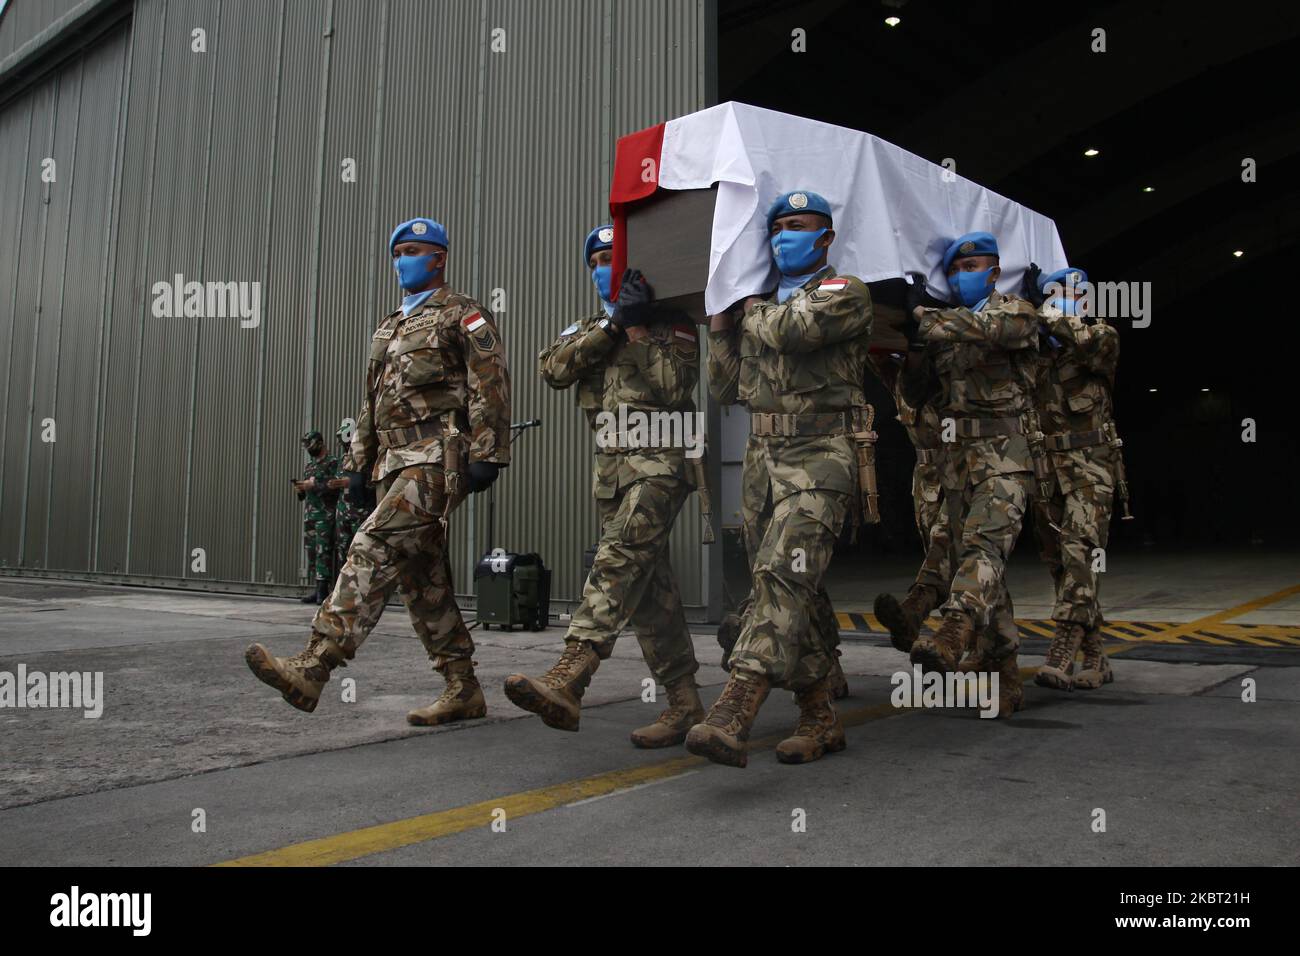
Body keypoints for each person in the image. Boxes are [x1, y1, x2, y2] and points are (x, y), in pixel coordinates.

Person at [246, 216, 511, 726]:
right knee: (422, 580)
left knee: (375, 546)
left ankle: (315, 664)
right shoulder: (389, 325)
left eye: (414, 250)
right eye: (397, 252)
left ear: (439, 258)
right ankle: (463, 688)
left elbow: (491, 383)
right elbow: (372, 404)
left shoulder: (464, 314)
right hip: (391, 464)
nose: (403, 260)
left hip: (438, 457)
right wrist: (357, 469)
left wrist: (488, 453)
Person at [689, 190, 874, 767]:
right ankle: (820, 717)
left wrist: (742, 301)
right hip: (763, 463)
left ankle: (735, 708)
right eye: (777, 228)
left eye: (798, 226)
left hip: (822, 454)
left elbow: (791, 332)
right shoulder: (756, 307)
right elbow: (725, 390)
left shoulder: (845, 293)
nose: (784, 236)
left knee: (779, 574)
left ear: (826, 237)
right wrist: (720, 326)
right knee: (799, 591)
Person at [505, 227, 704, 747]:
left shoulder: (671, 322)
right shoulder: (592, 326)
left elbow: (674, 386)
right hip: (612, 475)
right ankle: (685, 704)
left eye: (613, 257)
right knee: (650, 594)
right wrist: (615, 325)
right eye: (596, 258)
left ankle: (572, 675)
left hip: (662, 462)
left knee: (615, 561)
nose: (603, 265)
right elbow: (553, 369)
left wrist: (638, 330)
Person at [899, 231, 1040, 717]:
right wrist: (912, 349)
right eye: (955, 270)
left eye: (972, 266)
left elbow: (984, 330)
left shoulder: (1016, 312)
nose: (963, 276)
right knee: (979, 563)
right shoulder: (945, 329)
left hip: (1005, 454)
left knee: (984, 549)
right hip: (957, 460)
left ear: (996, 272)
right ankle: (1005, 672)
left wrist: (922, 315)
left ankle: (954, 631)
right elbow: (920, 396)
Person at [1024, 266, 1121, 691]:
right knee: (1061, 565)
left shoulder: (1102, 337)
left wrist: (1046, 313)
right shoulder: (1034, 352)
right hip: (1046, 468)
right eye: (1058, 294)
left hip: (1090, 464)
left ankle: (1062, 646)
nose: (1069, 301)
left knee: (1080, 552)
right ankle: (1097, 656)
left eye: (1074, 294)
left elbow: (1084, 341)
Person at [294, 430, 339, 605]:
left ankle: (323, 591)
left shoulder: (332, 463)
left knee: (323, 552)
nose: (307, 448)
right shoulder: (310, 467)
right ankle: (317, 589)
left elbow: (334, 487)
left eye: (309, 444)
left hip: (325, 515)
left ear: (319, 442)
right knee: (312, 552)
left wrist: (314, 485)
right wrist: (301, 490)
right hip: (310, 515)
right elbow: (305, 495)